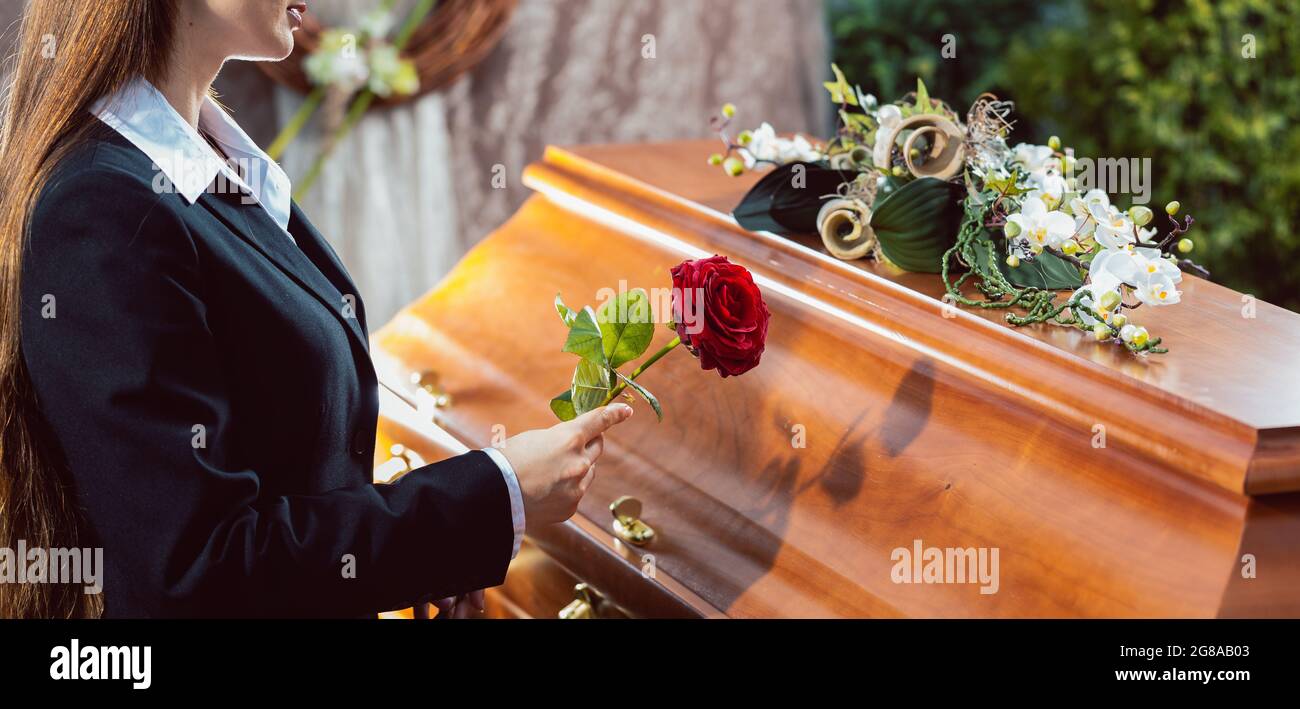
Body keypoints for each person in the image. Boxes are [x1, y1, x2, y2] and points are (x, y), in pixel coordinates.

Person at [0, 0, 631, 618]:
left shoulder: (213, 166)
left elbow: (283, 473)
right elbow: (198, 574)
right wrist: (497, 493)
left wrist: (417, 561)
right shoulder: (104, 205)